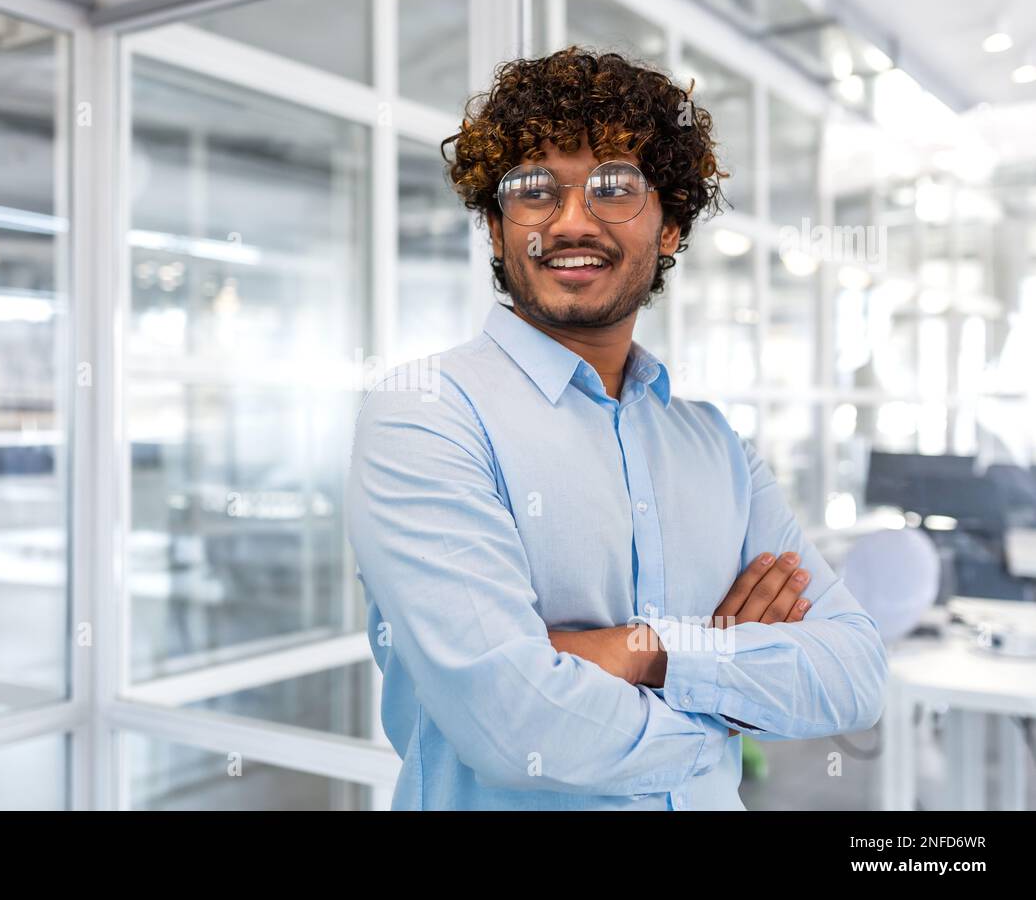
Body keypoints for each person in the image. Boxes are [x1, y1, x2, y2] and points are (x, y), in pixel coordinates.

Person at [344, 46, 887, 810]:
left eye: (614, 187)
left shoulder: (713, 445)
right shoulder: (427, 414)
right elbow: (516, 724)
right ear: (498, 231)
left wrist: (645, 652)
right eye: (534, 191)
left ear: (670, 226)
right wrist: (727, 699)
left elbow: (855, 674)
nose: (571, 221)